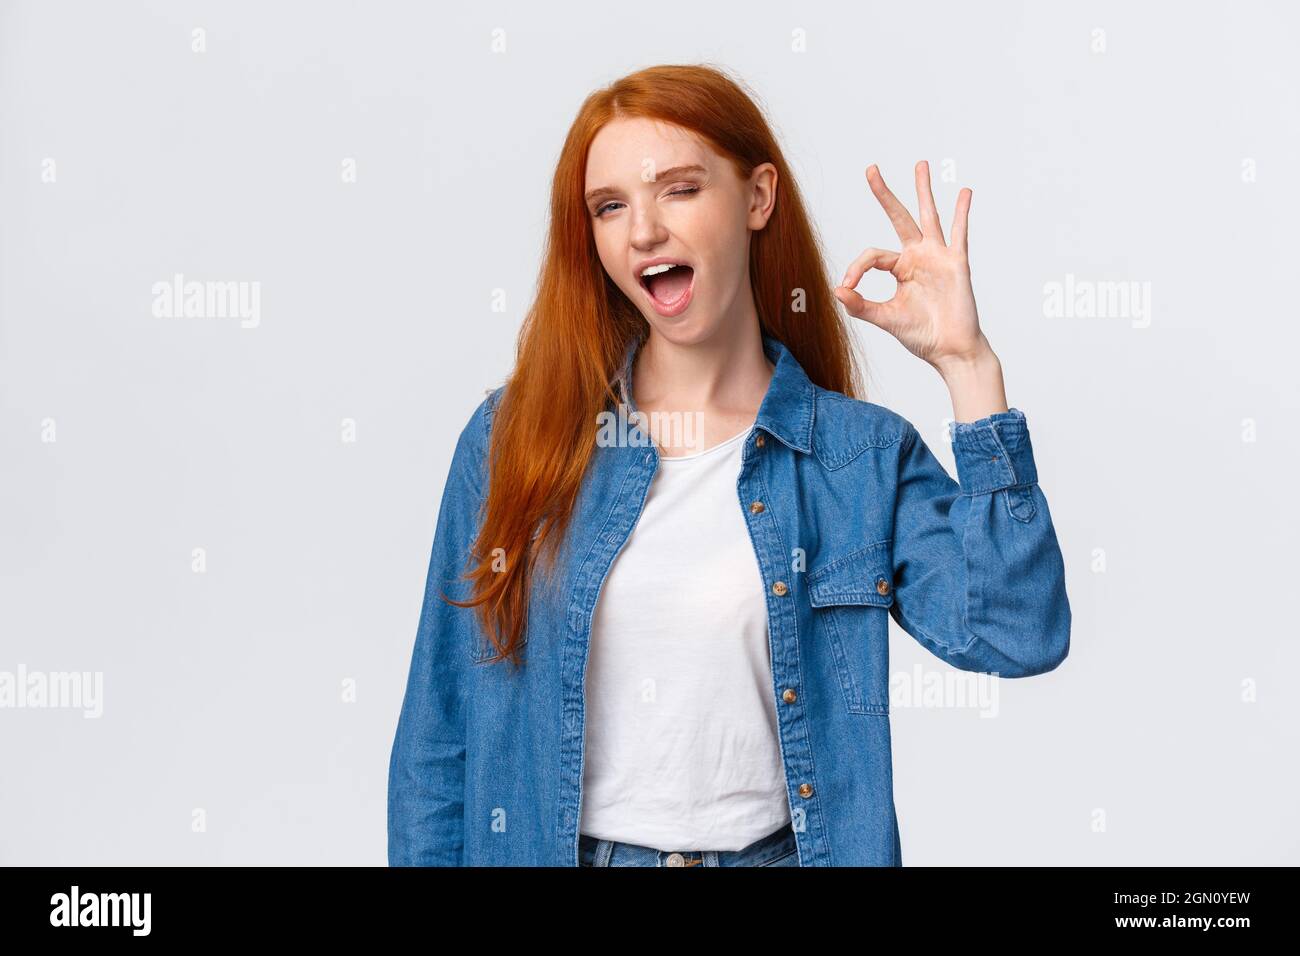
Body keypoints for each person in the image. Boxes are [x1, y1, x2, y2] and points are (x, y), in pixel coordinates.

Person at [388, 63, 1071, 868]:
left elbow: (1018, 631)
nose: (642, 231)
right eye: (610, 207)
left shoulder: (857, 459)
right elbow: (438, 742)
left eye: (678, 189)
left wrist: (968, 366)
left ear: (758, 198)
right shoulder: (514, 439)